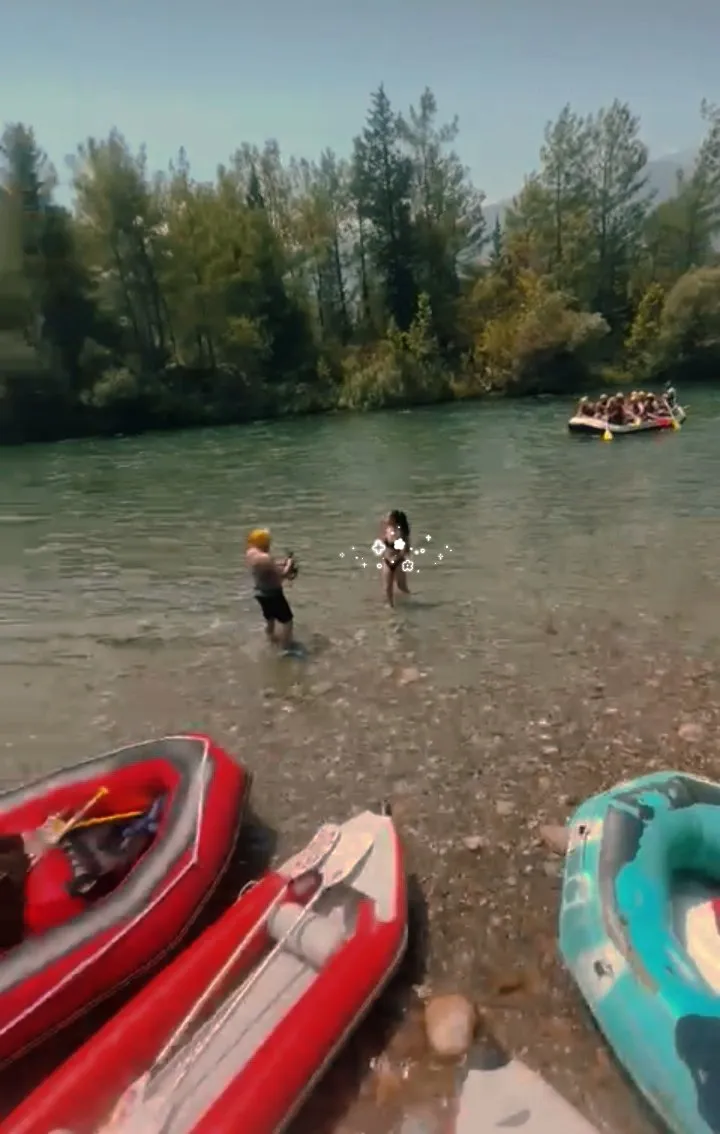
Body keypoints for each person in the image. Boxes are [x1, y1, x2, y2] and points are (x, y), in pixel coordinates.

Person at [245, 528, 296, 651]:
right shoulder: (265, 558)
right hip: (273, 594)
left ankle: (271, 640)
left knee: (270, 618)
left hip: (260, 593)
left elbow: (267, 569)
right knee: (288, 621)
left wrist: (278, 564)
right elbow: (283, 575)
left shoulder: (251, 553)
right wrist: (289, 563)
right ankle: (286, 648)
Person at [380, 509, 411, 607]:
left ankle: (410, 600)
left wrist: (397, 559)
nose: (386, 518)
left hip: (398, 562)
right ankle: (391, 606)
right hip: (387, 561)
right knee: (387, 587)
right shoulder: (387, 530)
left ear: (393, 519)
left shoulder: (400, 532)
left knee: (401, 586)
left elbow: (406, 550)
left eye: (388, 516)